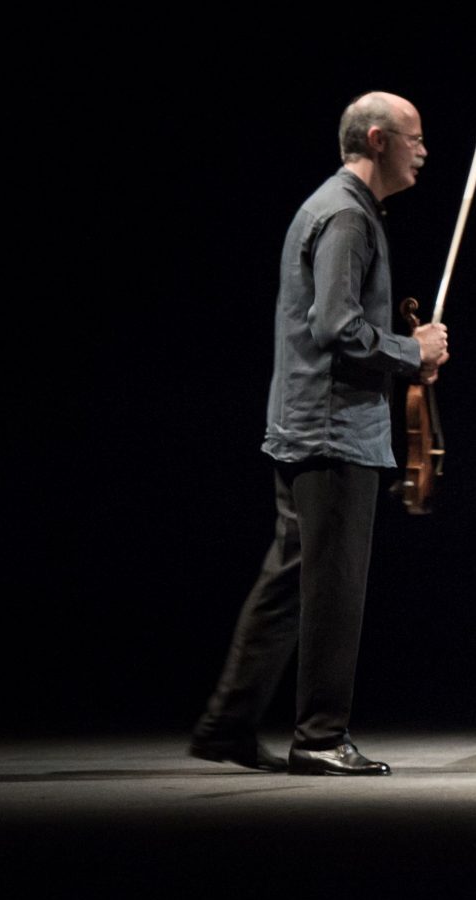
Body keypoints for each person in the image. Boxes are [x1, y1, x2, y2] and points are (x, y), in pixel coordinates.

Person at [188, 90, 450, 777]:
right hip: (333, 431)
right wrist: (411, 352)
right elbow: (336, 326)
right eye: (415, 137)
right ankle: (320, 736)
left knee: (289, 581)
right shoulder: (347, 218)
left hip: (308, 423)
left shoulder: (334, 207)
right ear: (377, 138)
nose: (425, 149)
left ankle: (227, 724)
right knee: (334, 589)